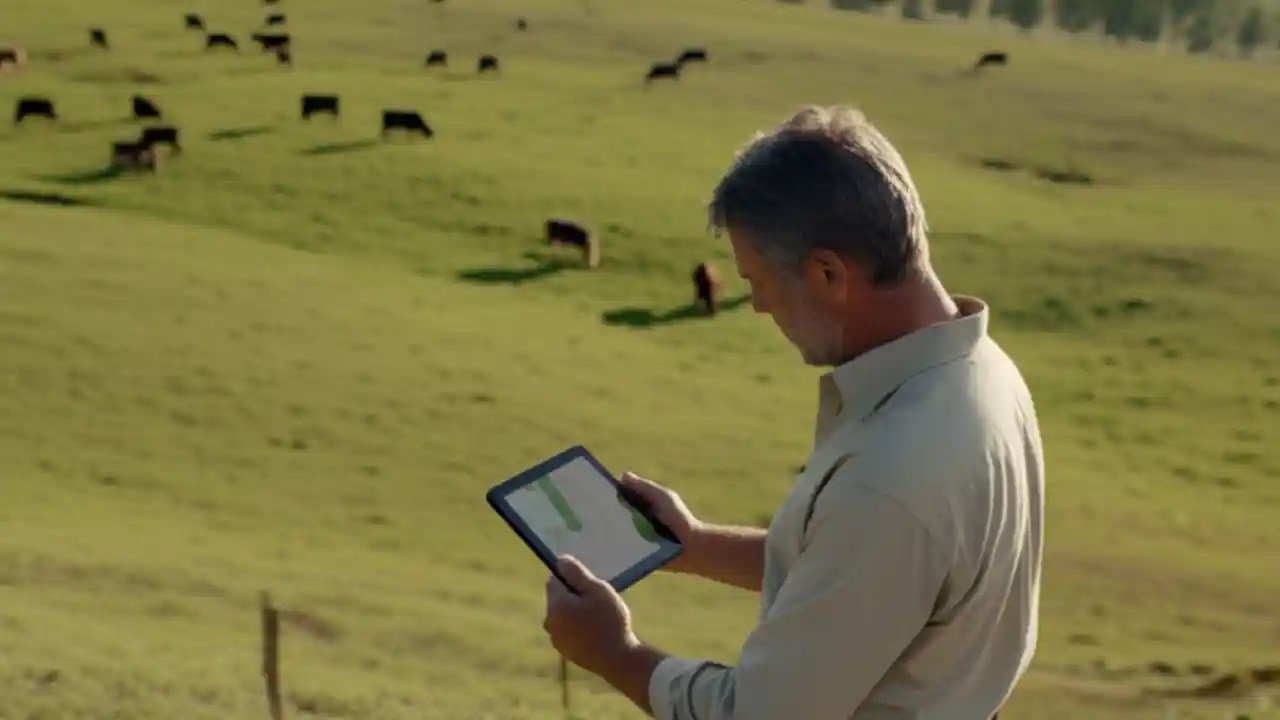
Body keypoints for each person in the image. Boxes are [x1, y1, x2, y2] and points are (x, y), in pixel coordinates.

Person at [543, 105, 1045, 720]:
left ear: (828, 272)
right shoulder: (983, 373)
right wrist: (693, 545)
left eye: (758, 282)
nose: (755, 306)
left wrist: (614, 652)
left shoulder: (890, 478)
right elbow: (857, 577)